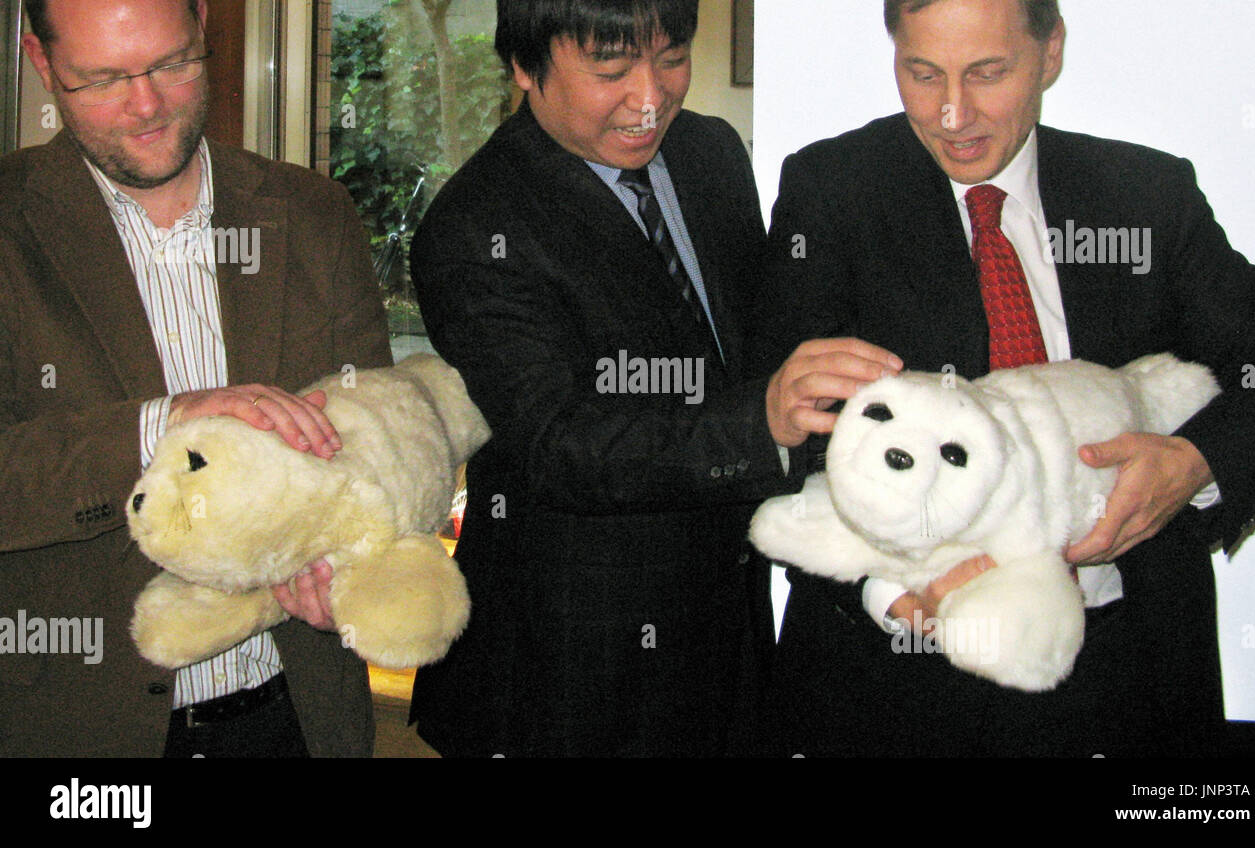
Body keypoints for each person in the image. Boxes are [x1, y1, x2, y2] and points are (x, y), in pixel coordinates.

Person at [752, 0, 1255, 756]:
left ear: (1051, 52)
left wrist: (1193, 464)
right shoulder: (834, 191)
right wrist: (889, 589)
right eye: (922, 74)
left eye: (987, 73)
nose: (953, 113)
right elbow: (786, 425)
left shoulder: (1145, 195)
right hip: (897, 693)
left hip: (1129, 675)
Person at [407, 0, 895, 756]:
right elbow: (560, 442)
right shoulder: (476, 224)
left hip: (727, 627)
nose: (649, 98)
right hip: (573, 664)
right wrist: (759, 426)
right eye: (611, 69)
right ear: (525, 66)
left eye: (671, 58)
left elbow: (741, 341)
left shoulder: (708, 151)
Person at [0, 0, 391, 756]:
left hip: (298, 713)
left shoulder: (312, 212)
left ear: (203, 23)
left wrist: (353, 561)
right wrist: (166, 424)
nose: (146, 105)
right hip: (83, 729)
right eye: (103, 79)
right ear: (41, 62)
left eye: (172, 63)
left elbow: (374, 429)